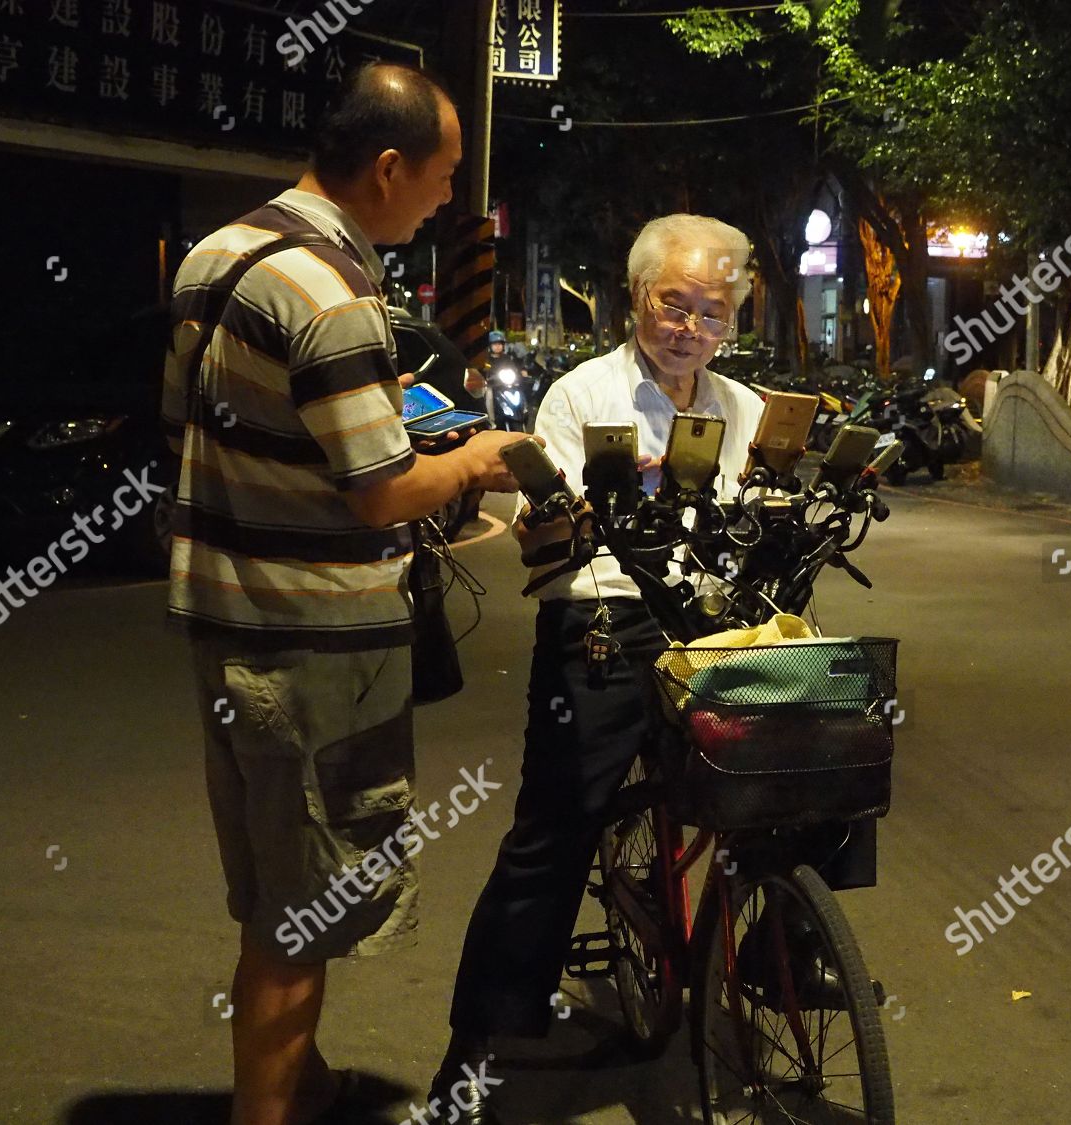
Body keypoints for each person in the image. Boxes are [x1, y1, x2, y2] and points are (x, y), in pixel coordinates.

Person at [161, 63, 527, 1125]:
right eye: (445, 176)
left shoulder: (214, 256)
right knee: (304, 912)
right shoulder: (335, 293)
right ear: (386, 168)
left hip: (223, 623)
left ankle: (300, 1078)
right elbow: (383, 492)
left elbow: (199, 423)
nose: (449, 199)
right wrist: (478, 461)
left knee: (275, 884)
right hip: (309, 645)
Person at [426, 214, 765, 1122]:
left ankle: (789, 957)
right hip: (603, 622)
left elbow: (757, 513)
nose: (692, 327)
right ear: (636, 300)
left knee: (806, 767)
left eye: (714, 311)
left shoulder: (744, 408)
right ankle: (479, 1042)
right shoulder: (580, 396)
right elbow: (548, 529)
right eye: (675, 304)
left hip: (708, 627)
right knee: (555, 830)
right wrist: (592, 511)